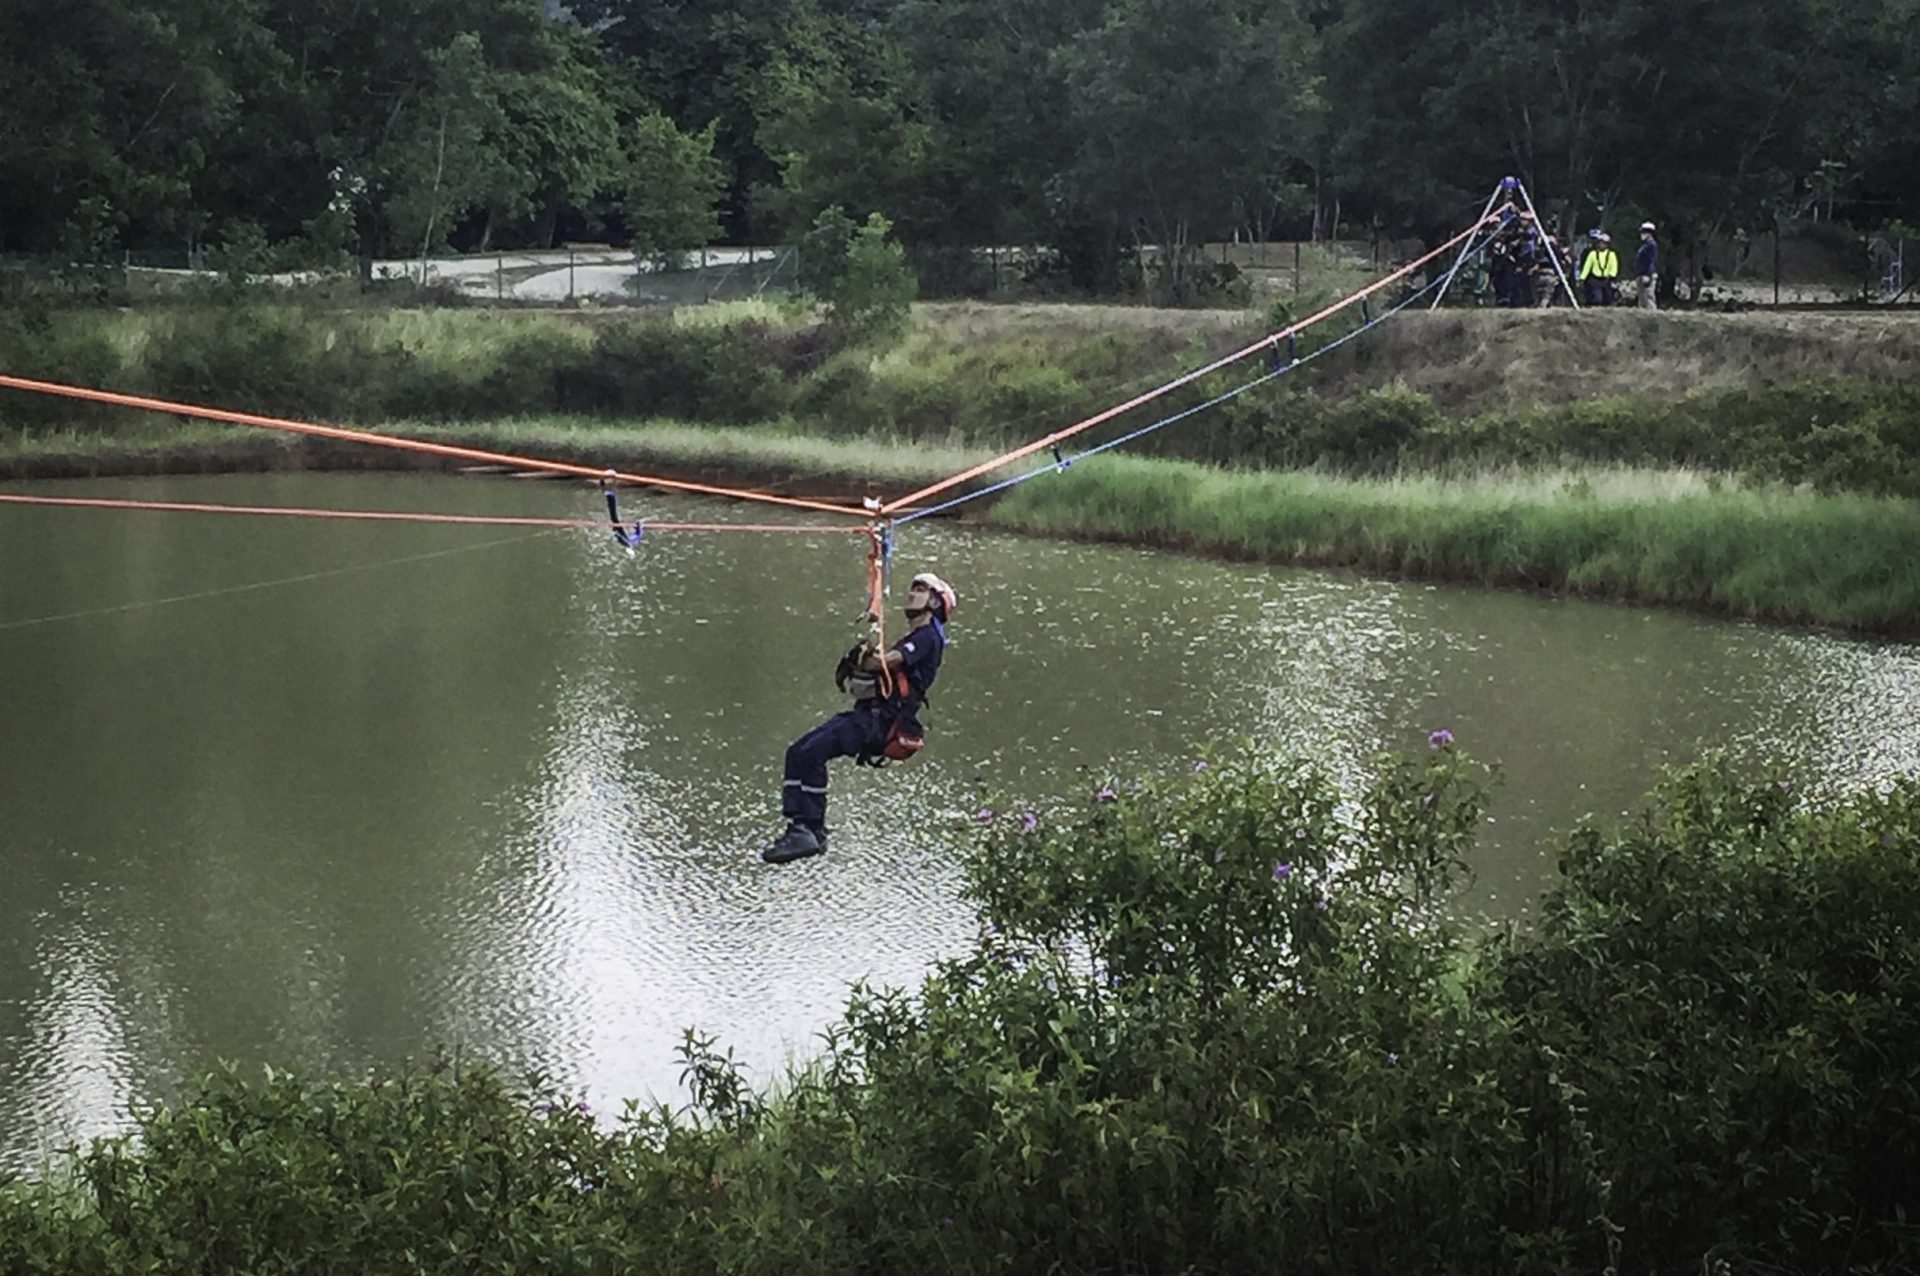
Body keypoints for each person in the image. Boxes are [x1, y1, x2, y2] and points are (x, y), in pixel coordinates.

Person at [762, 571, 957, 864]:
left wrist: (864, 661)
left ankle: (808, 827)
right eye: (913, 587)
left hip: (880, 723)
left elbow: (887, 663)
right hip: (868, 716)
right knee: (798, 751)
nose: (912, 592)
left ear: (935, 602)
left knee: (812, 753)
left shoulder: (929, 637)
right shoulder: (915, 637)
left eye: (921, 589)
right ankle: (804, 829)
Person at [1579, 231, 1620, 306]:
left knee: (1607, 298)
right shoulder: (1593, 254)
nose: (1602, 245)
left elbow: (1614, 265)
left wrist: (1613, 275)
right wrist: (1582, 278)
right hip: (1595, 279)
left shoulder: (1611, 254)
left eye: (1604, 243)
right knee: (1597, 298)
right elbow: (1587, 266)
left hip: (1606, 279)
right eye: (1600, 243)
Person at [1635, 222, 1659, 310]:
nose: (1642, 234)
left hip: (1647, 274)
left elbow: (1652, 261)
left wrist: (1648, 274)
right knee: (1642, 299)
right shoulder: (1645, 245)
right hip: (1641, 274)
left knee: (1648, 297)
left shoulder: (1652, 245)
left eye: (1644, 232)